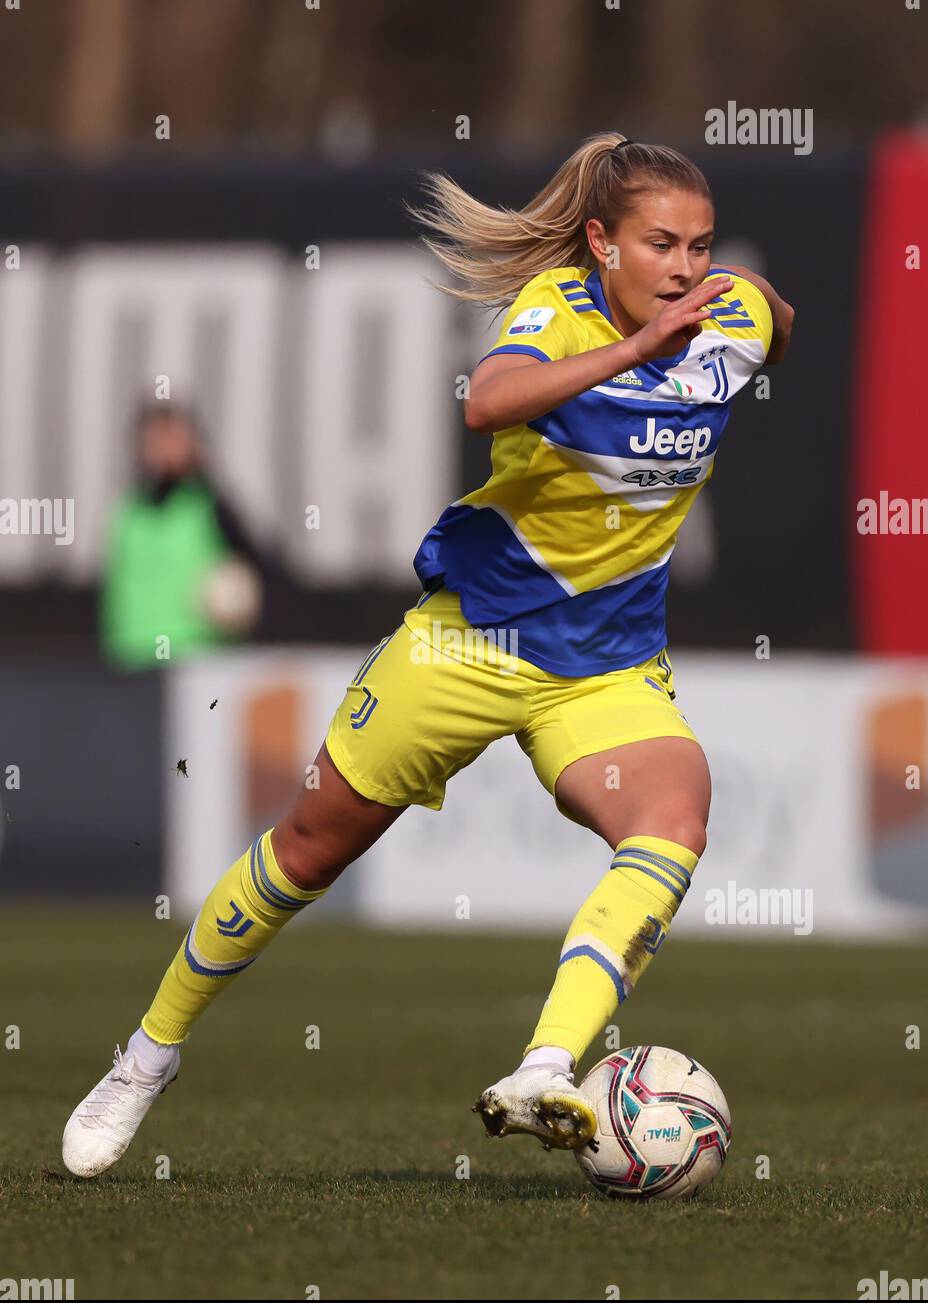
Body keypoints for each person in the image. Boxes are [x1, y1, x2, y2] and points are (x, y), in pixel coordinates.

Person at [62, 133, 793, 1176]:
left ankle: (546, 1065)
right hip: (470, 642)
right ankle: (145, 1057)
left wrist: (754, 299)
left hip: (606, 667)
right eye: (660, 244)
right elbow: (487, 400)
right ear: (600, 243)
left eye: (701, 246)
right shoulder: (557, 311)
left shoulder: (729, 311)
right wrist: (638, 350)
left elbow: (777, 325)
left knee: (675, 816)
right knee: (307, 849)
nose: (684, 268)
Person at [100, 403, 265, 669]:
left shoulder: (209, 507)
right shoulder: (127, 512)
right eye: (157, 439)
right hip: (130, 660)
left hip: (194, 662)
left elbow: (258, 566)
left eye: (174, 439)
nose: (165, 450)